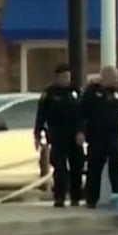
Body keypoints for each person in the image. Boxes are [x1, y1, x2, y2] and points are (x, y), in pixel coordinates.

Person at [34, 64, 85, 207]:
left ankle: (76, 197)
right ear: (57, 77)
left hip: (74, 136)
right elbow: (41, 115)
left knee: (77, 166)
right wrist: (38, 133)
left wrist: (81, 132)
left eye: (68, 77)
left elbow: (82, 115)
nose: (66, 80)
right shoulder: (49, 94)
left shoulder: (75, 92)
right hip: (57, 134)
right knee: (60, 168)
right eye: (63, 77)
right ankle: (60, 197)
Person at [79, 65, 118, 209]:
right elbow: (82, 113)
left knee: (117, 167)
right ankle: (91, 199)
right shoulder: (91, 92)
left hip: (114, 136)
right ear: (105, 77)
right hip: (96, 136)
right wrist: (80, 131)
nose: (117, 80)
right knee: (94, 169)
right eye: (115, 77)